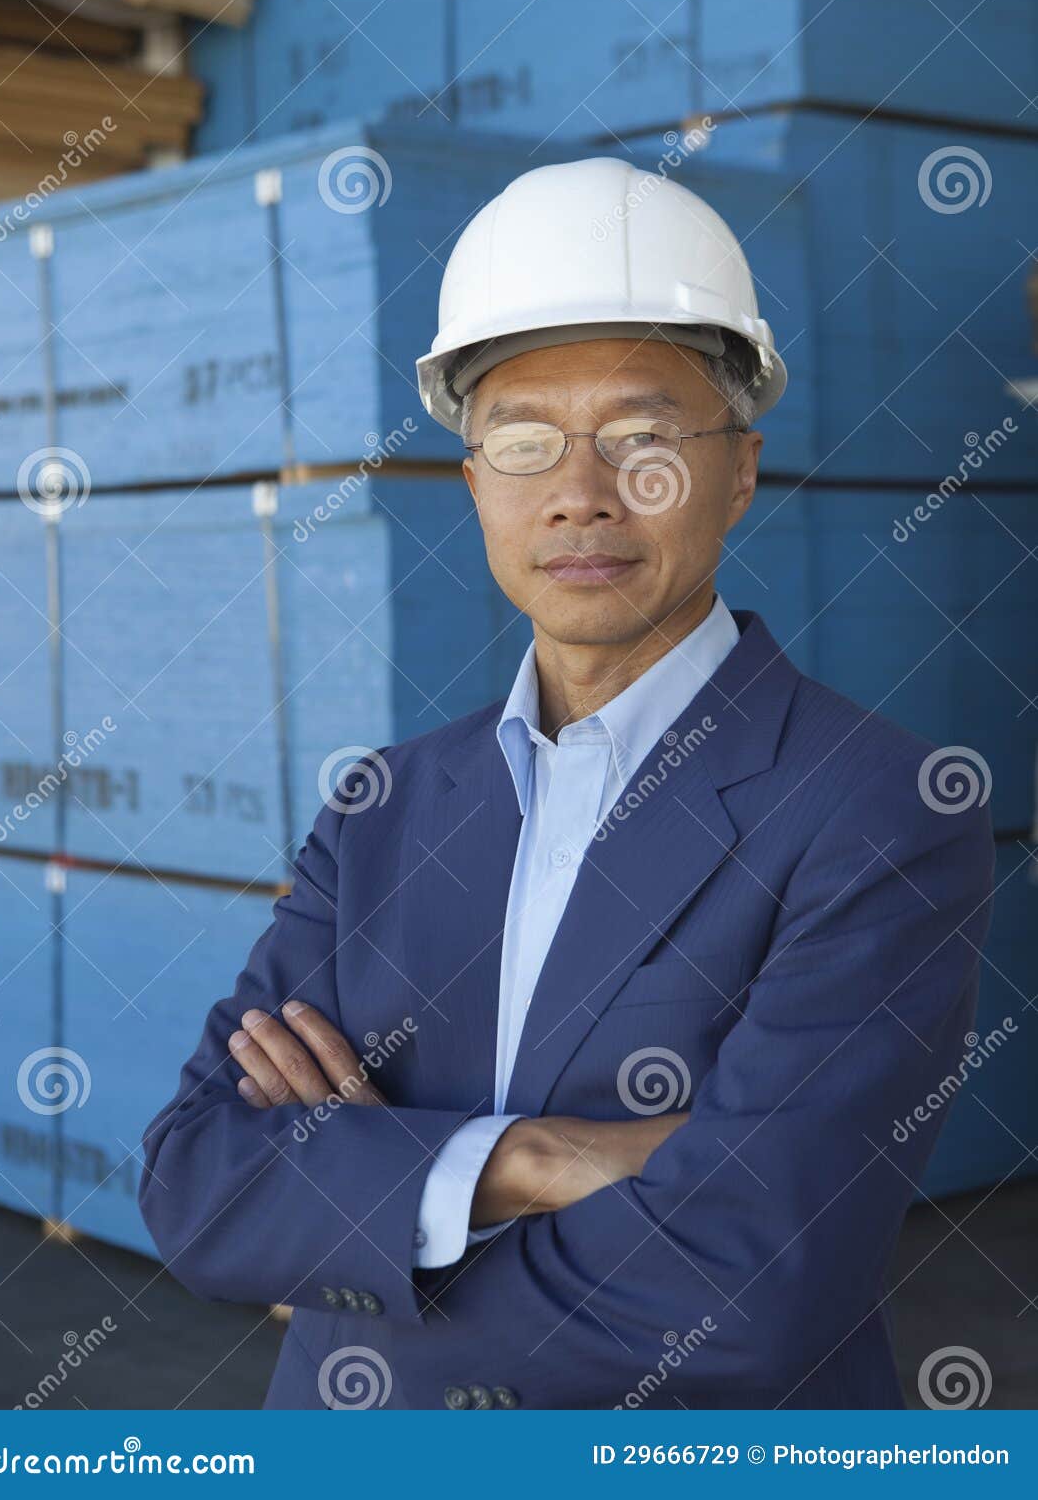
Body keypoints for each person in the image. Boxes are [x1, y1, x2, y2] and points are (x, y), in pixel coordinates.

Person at [140, 158, 994, 1410]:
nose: (581, 495)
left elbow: (748, 1286)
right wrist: (533, 1157)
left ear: (740, 470)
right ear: (474, 481)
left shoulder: (879, 808)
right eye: (526, 444)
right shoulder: (384, 805)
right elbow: (197, 1184)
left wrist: (369, 1209)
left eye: (643, 440)